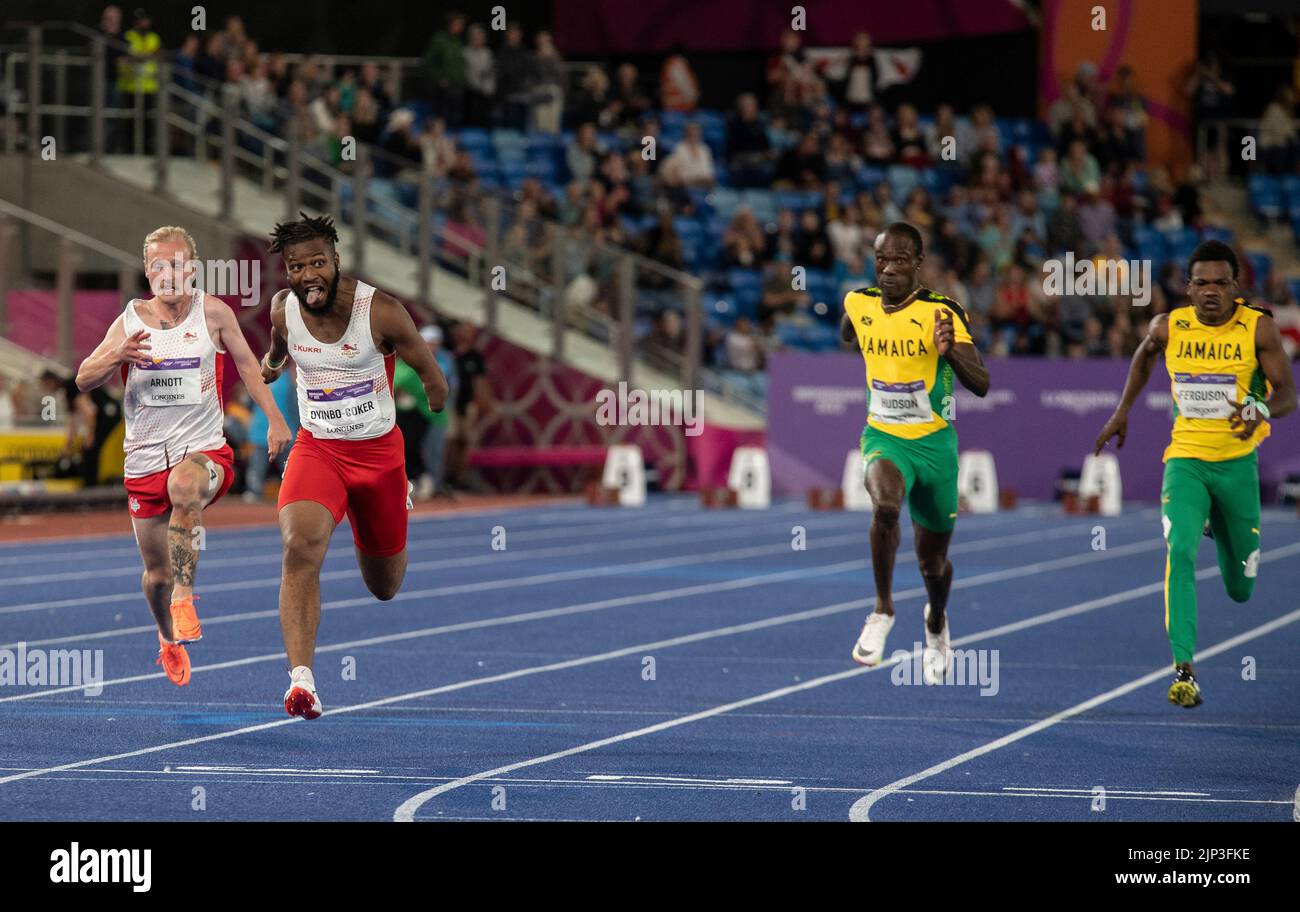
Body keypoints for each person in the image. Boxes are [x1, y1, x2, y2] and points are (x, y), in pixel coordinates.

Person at [75, 226, 291, 686]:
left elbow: (250, 366)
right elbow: (83, 379)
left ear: (191, 269)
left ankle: (185, 597)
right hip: (145, 460)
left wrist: (273, 418)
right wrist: (117, 353)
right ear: (148, 270)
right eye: (158, 266)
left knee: (185, 487)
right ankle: (166, 634)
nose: (167, 274)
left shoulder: (211, 312)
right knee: (155, 574)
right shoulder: (130, 319)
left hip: (203, 449)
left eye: (176, 265)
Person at [260, 213, 448, 719]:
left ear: (336, 261)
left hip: (380, 457)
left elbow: (433, 380)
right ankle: (302, 680)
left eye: (318, 263)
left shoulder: (381, 312)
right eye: (296, 267)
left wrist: (431, 399)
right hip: (318, 450)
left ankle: (396, 497)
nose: (308, 276)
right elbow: (278, 350)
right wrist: (274, 364)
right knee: (299, 544)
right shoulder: (283, 311)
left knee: (383, 586)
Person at [1094, 241, 1296, 708]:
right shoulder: (1168, 326)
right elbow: (1145, 355)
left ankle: (1219, 524)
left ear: (1235, 287)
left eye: (1220, 284)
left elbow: (1290, 394)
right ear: (1188, 287)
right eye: (1201, 283)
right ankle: (1184, 669)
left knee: (1240, 589)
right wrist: (1123, 410)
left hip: (1236, 468)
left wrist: (1260, 407)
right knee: (1178, 549)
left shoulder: (1257, 329)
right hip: (1184, 461)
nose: (1210, 292)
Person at [840, 223, 990, 682]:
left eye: (900, 260)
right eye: (881, 258)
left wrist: (951, 353)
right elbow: (850, 332)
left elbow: (981, 384)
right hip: (883, 436)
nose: (888, 268)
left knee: (933, 564)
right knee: (885, 505)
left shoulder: (942, 312)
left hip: (935, 446)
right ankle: (882, 610)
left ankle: (936, 621)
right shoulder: (857, 302)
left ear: (918, 264)